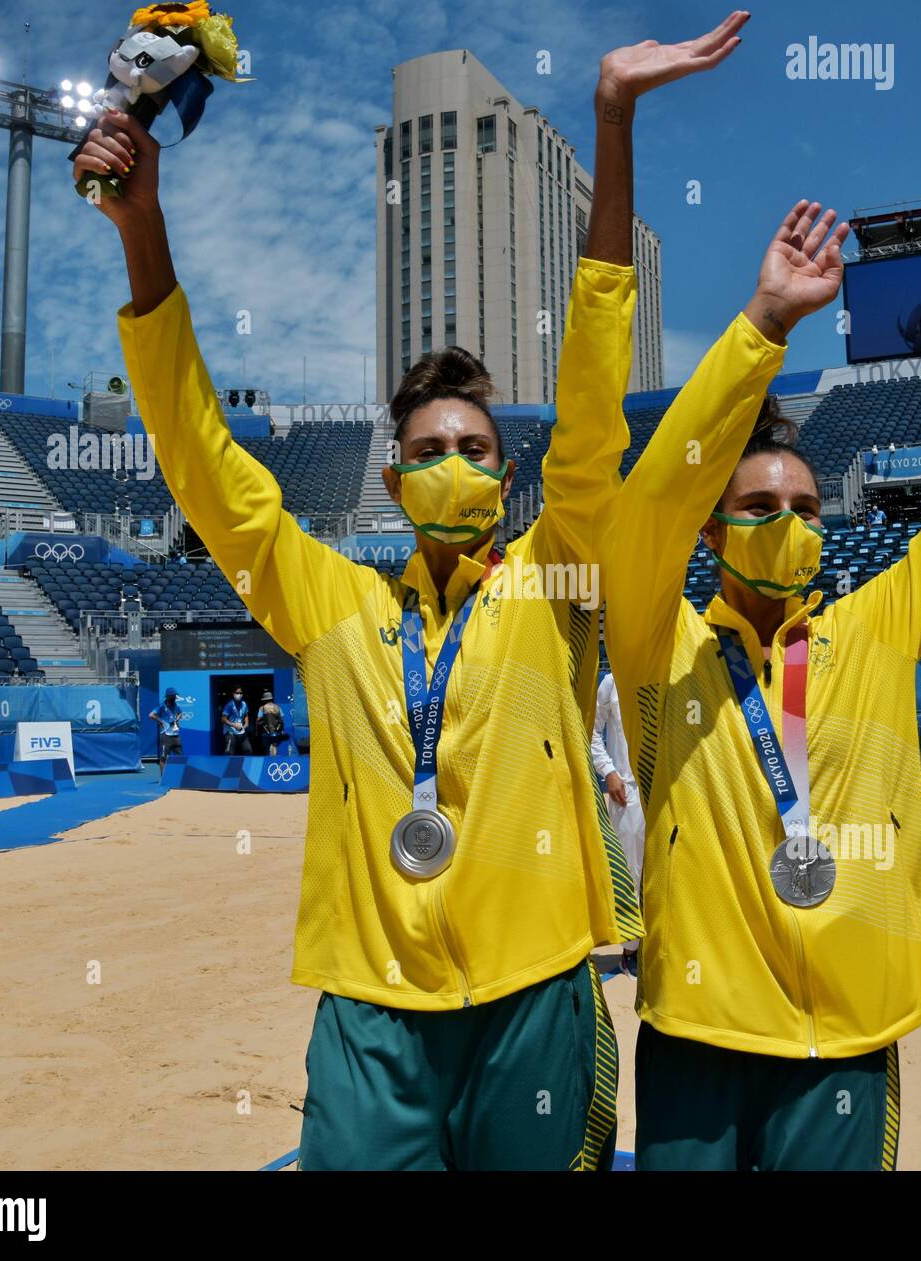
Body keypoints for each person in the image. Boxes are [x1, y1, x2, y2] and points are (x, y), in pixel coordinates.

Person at [77, 11, 750, 1170]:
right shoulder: (329, 601)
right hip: (369, 1010)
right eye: (433, 448)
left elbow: (590, 415)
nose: (457, 464)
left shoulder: (554, 579)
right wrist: (144, 232)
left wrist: (612, 118)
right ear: (393, 480)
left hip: (536, 997)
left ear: (506, 474)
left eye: (480, 450)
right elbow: (201, 460)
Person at [602, 197, 921, 1170]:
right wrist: (762, 325)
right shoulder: (652, 641)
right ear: (709, 533)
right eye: (757, 507)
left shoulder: (876, 624)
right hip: (695, 1034)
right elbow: (641, 512)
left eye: (803, 506)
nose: (788, 522)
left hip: (848, 1032)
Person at [591, 671, 644, 976]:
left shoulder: (665, 671)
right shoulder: (611, 682)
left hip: (664, 788)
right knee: (630, 871)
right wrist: (608, 772)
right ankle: (630, 951)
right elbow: (593, 731)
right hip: (627, 790)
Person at [149, 686, 183, 777]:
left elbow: (180, 713)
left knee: (180, 757)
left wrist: (177, 718)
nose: (174, 698)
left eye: (175, 696)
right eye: (172, 696)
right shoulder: (162, 706)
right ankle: (163, 778)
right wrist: (160, 721)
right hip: (166, 735)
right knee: (164, 757)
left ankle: (179, 777)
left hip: (176, 735)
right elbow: (151, 715)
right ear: (168, 697)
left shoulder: (176, 706)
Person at [220, 685, 251, 755]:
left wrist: (246, 723)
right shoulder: (229, 705)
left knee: (248, 751)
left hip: (242, 732)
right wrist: (233, 725)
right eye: (237, 693)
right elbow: (223, 719)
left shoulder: (244, 704)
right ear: (233, 693)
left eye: (241, 693)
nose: (239, 695)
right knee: (229, 753)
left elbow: (246, 715)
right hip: (230, 732)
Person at [256, 690, 286, 756]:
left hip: (265, 732)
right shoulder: (278, 707)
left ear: (264, 699)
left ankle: (268, 760)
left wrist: (257, 731)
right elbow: (282, 720)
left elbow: (258, 720)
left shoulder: (262, 708)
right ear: (271, 698)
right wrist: (282, 730)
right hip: (276, 732)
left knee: (267, 748)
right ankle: (273, 759)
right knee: (275, 746)